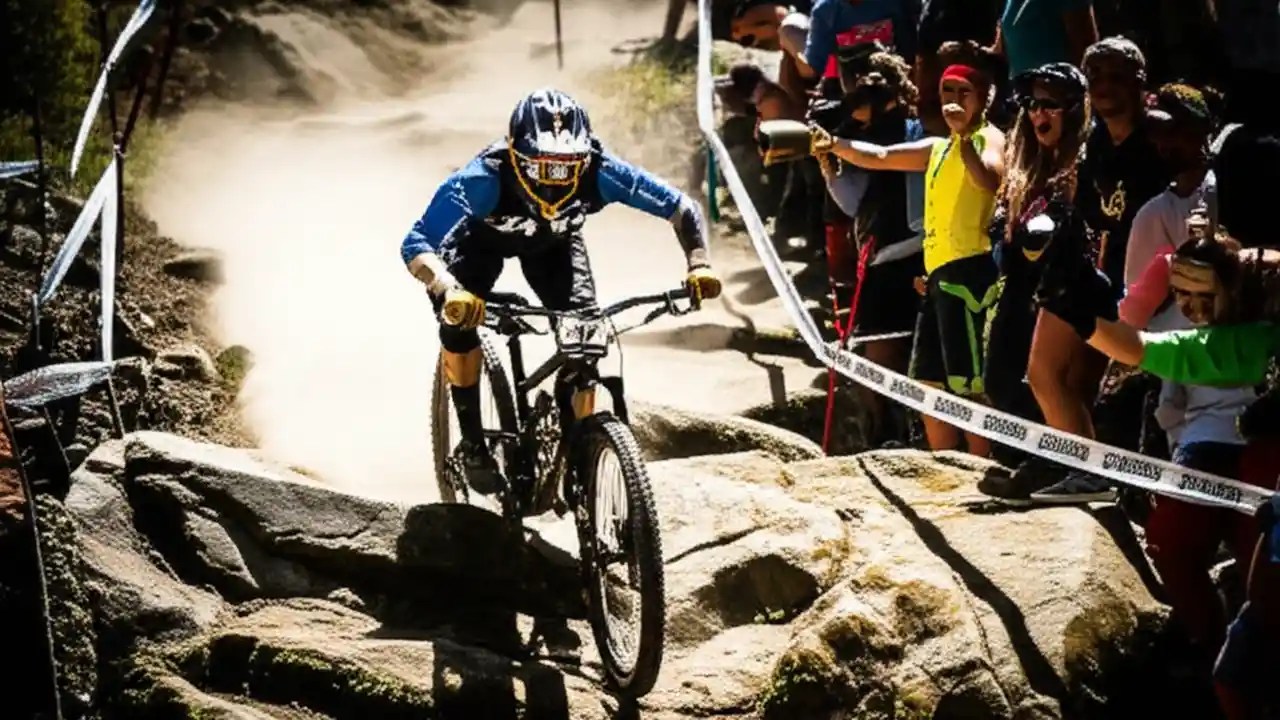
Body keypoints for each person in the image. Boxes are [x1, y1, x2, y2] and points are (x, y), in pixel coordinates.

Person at [400, 88, 723, 492]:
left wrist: (699, 264)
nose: (557, 179)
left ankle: (578, 454)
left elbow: (682, 208)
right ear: (516, 155)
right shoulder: (483, 179)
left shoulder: (601, 171)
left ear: (586, 156)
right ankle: (473, 444)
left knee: (586, 343)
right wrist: (447, 288)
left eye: (569, 166)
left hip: (554, 246)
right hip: (479, 244)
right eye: (543, 166)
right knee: (458, 325)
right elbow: (417, 241)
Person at [812, 40, 1005, 456]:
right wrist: (833, 145)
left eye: (963, 94)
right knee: (929, 383)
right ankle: (942, 466)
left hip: (971, 272)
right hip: (936, 275)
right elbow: (880, 155)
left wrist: (964, 137)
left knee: (968, 382)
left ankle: (979, 463)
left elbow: (991, 180)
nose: (953, 102)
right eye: (947, 93)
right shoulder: (936, 147)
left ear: (983, 99)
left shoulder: (989, 137)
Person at [978, 62, 1099, 501]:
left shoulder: (1085, 164)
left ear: (1073, 108)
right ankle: (1039, 462)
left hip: (1061, 292)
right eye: (1031, 103)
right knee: (998, 382)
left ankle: (1055, 467)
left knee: (1047, 382)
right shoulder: (1025, 164)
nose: (1037, 113)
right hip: (1017, 289)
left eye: (1049, 104)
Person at [989, 0, 1099, 79]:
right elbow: (1001, 53)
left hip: (1058, 98)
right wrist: (975, 52)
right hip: (1026, 100)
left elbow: (1086, 49)